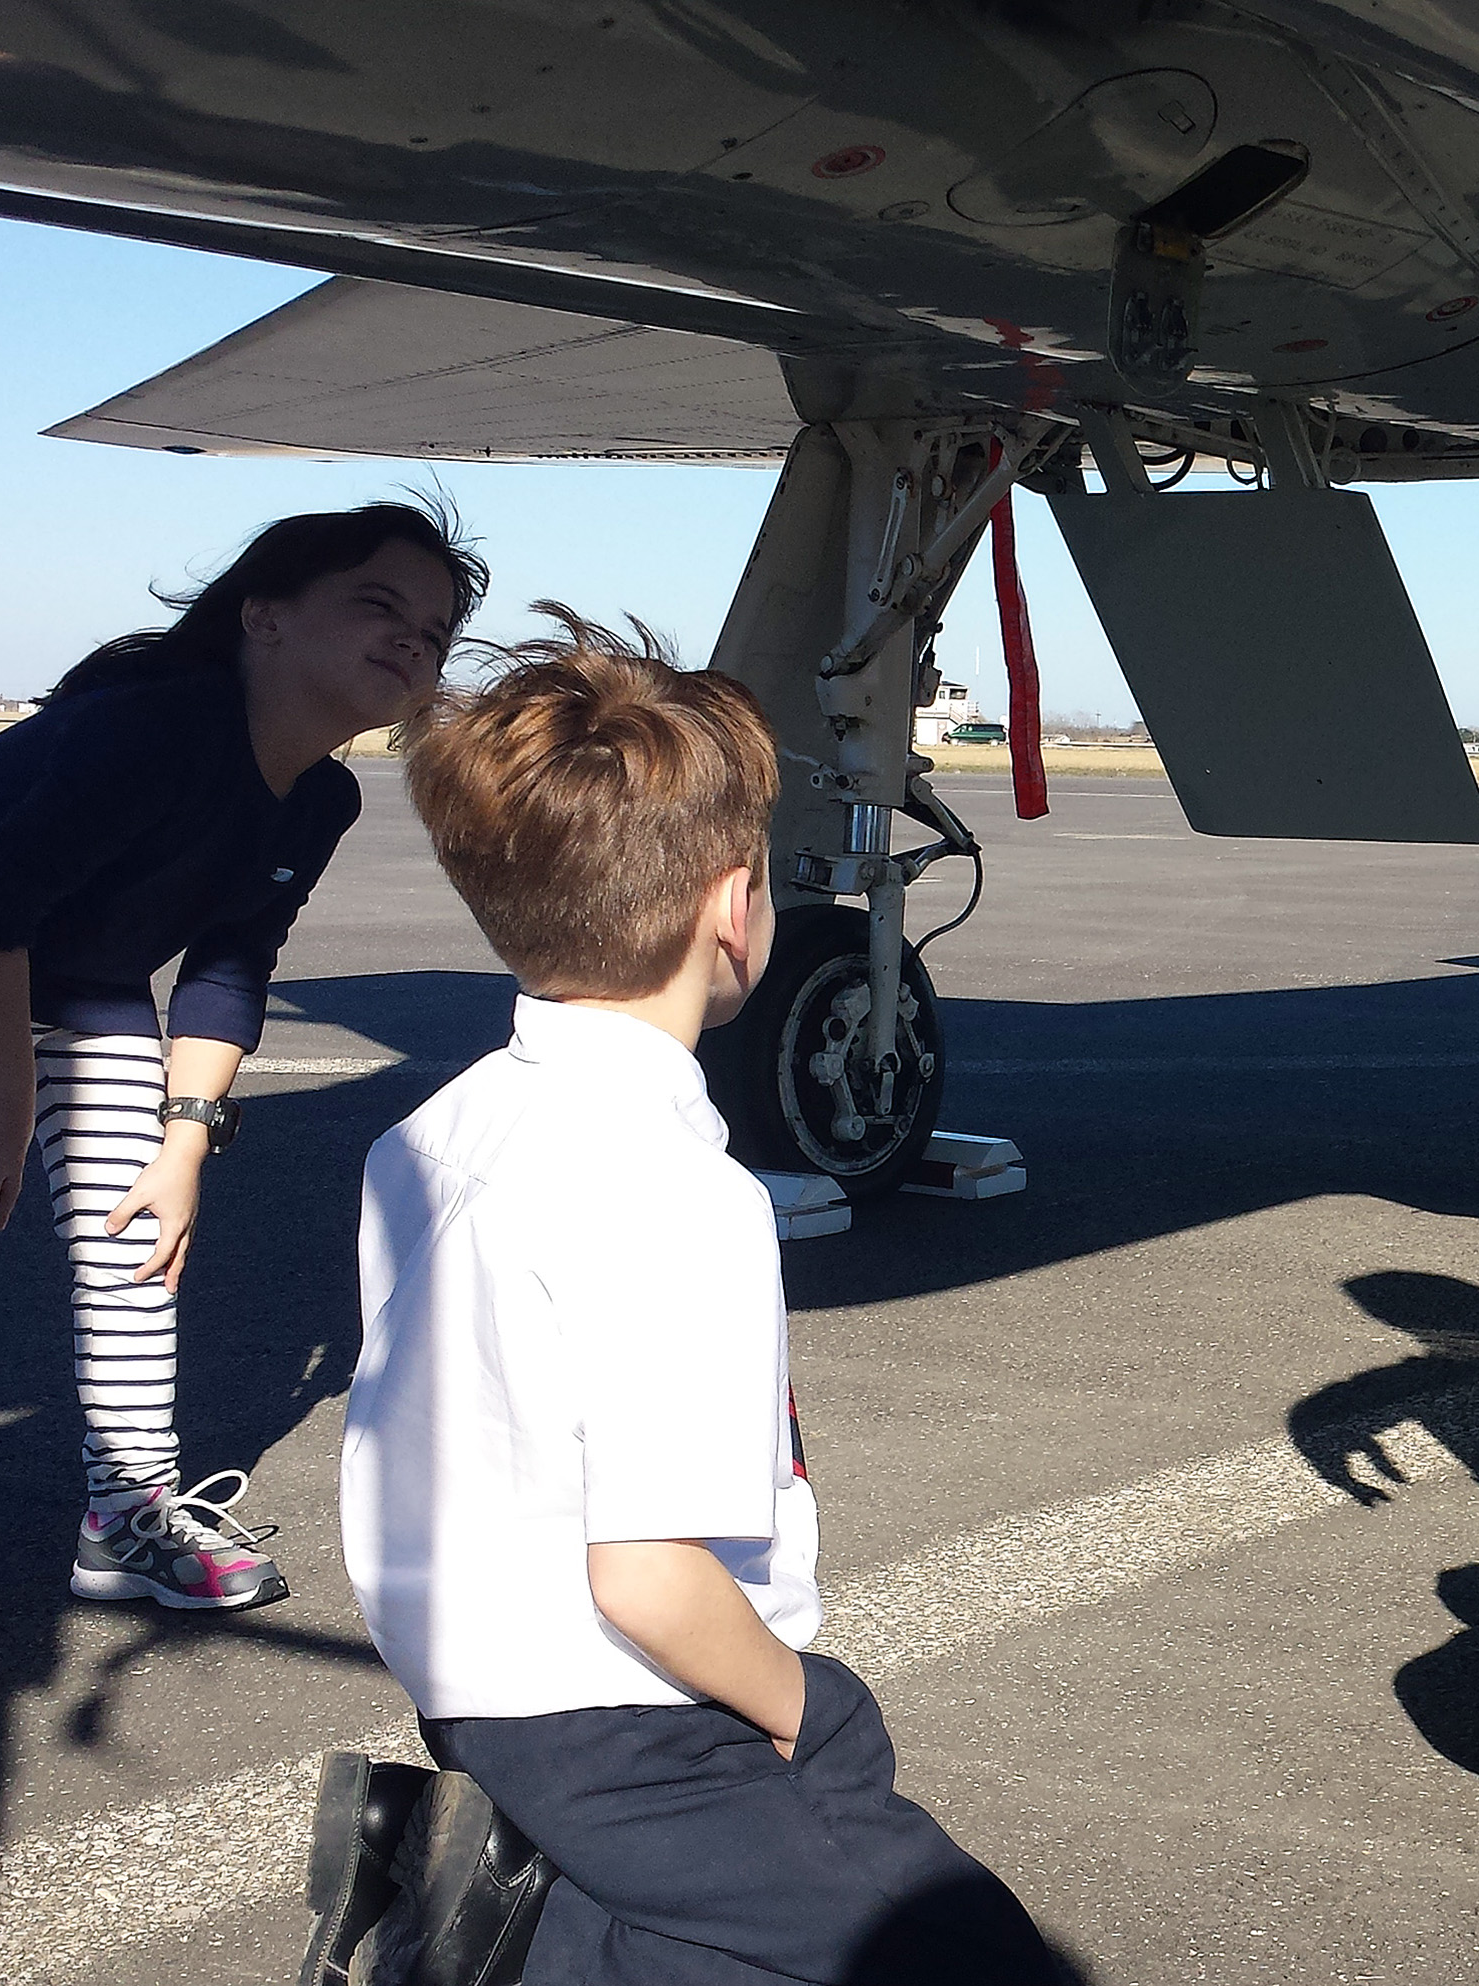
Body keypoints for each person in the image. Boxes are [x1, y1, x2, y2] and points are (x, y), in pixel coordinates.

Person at [328, 614, 1071, 1985]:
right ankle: (474, 1940)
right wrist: (801, 1707)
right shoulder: (680, 1190)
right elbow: (646, 1572)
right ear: (736, 908)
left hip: (478, 1688)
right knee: (958, 1954)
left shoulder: (430, 1135)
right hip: (640, 1711)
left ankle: (491, 1913)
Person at [0, 501, 480, 1653]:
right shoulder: (153, 729)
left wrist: (185, 1142)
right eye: (379, 604)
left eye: (437, 630)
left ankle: (128, 1513)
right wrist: (3, 1110)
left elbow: (232, 964)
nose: (415, 639)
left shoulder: (321, 797)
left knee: (141, 1226)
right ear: (265, 615)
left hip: (82, 973)